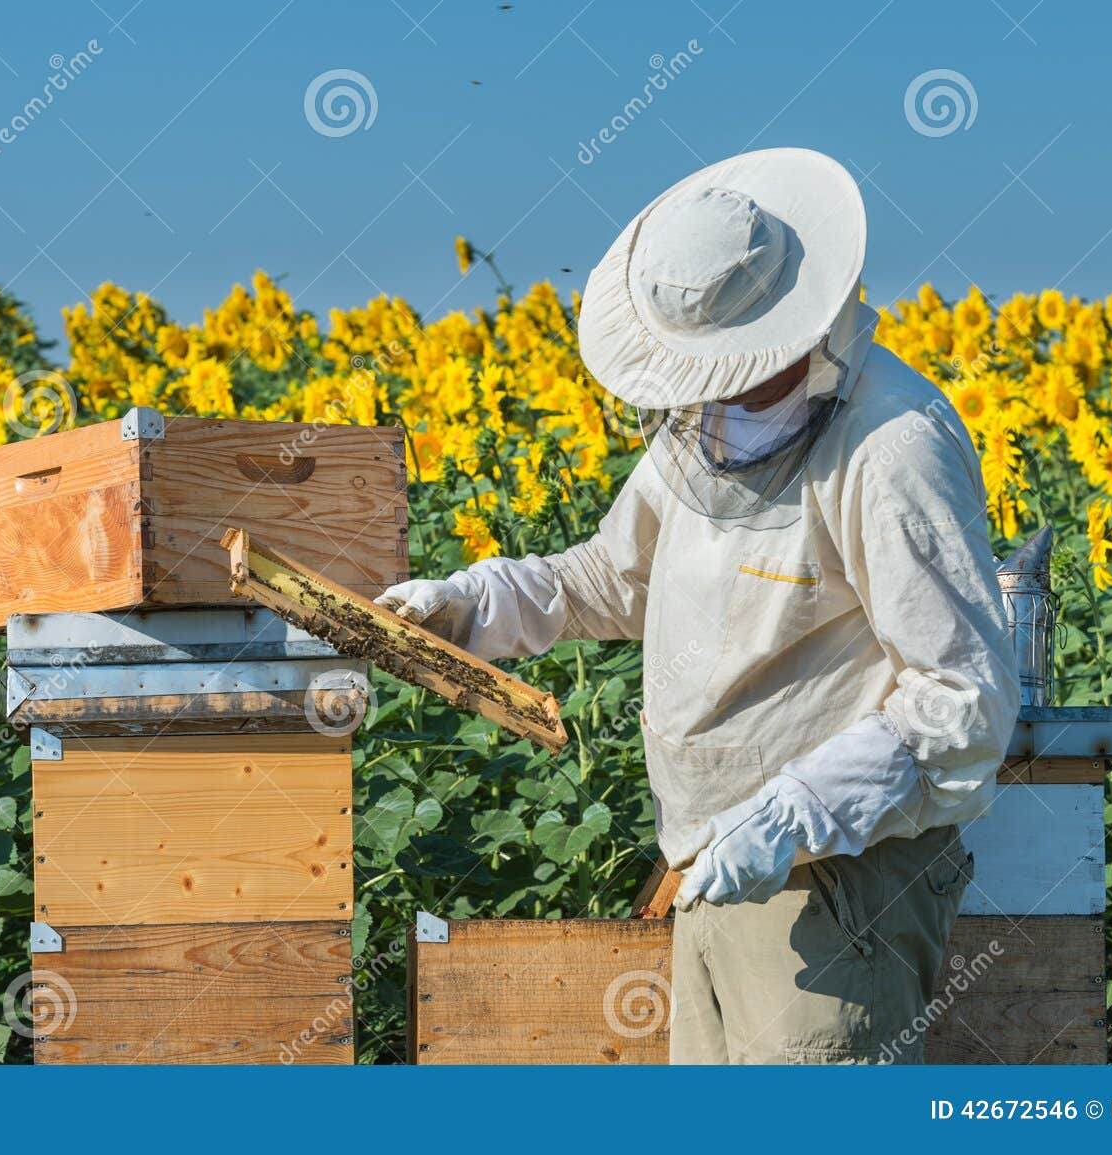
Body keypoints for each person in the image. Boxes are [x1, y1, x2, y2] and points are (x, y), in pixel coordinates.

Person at [377, 148, 1020, 1064]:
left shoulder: (891, 448)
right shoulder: (706, 421)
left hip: (840, 888)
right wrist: (470, 603)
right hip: (709, 868)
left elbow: (963, 700)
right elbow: (612, 575)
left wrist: (793, 812)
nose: (702, 390)